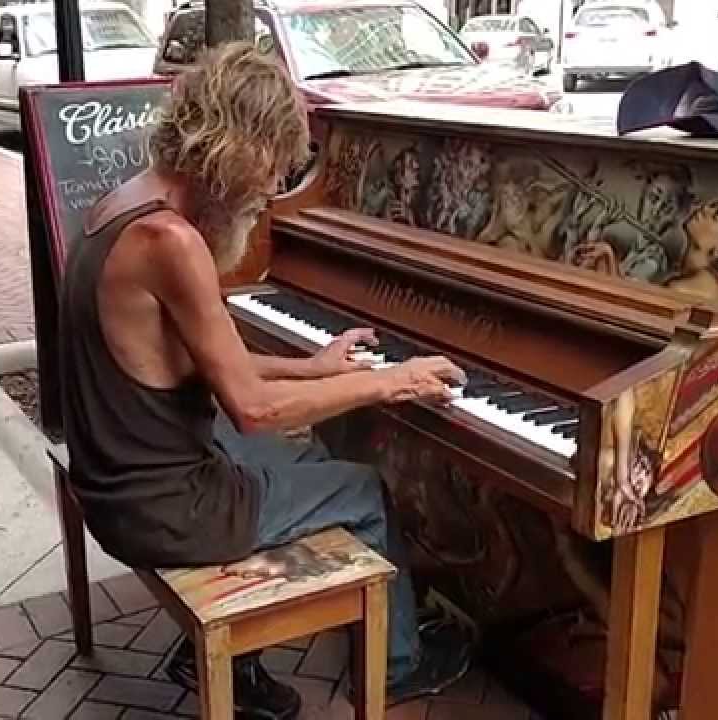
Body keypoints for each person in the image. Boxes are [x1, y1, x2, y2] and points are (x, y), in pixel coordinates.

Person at [57, 42, 473, 719]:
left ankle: (239, 667)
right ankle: (399, 667)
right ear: (242, 150)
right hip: (161, 510)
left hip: (114, 480)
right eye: (276, 167)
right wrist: (390, 382)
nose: (273, 188)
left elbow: (200, 360)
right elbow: (250, 407)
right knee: (364, 489)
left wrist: (311, 367)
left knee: (300, 458)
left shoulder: (122, 206)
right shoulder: (173, 242)